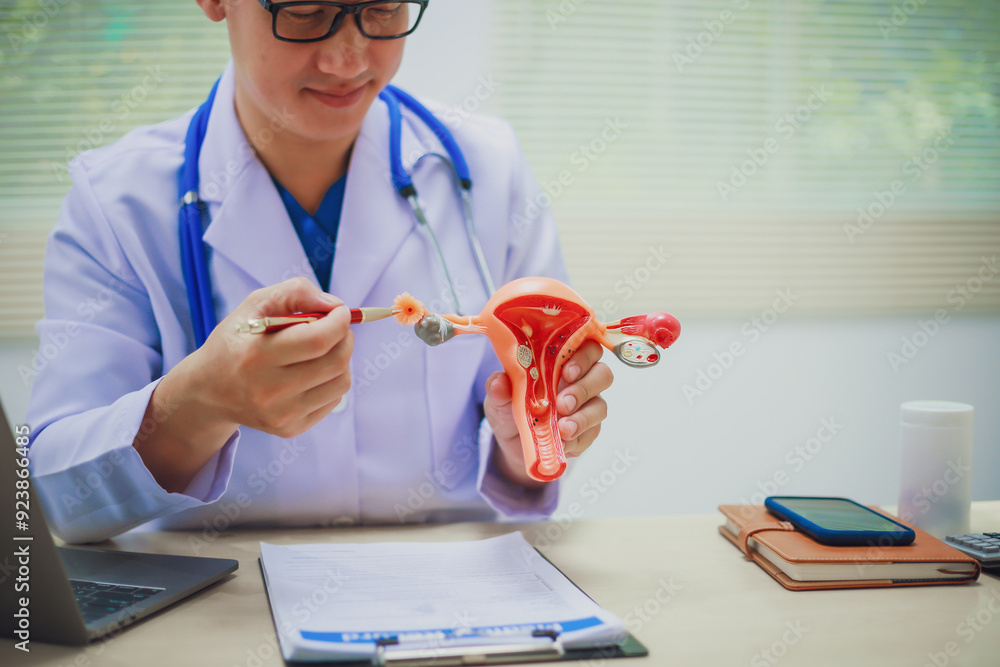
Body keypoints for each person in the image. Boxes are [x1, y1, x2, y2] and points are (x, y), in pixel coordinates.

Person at [26, 0, 613, 544]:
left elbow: (527, 430)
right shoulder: (117, 202)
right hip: (218, 609)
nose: (347, 59)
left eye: (382, 8)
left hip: (446, 598)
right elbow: (54, 496)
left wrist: (530, 441)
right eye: (306, 11)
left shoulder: (490, 168)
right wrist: (198, 404)